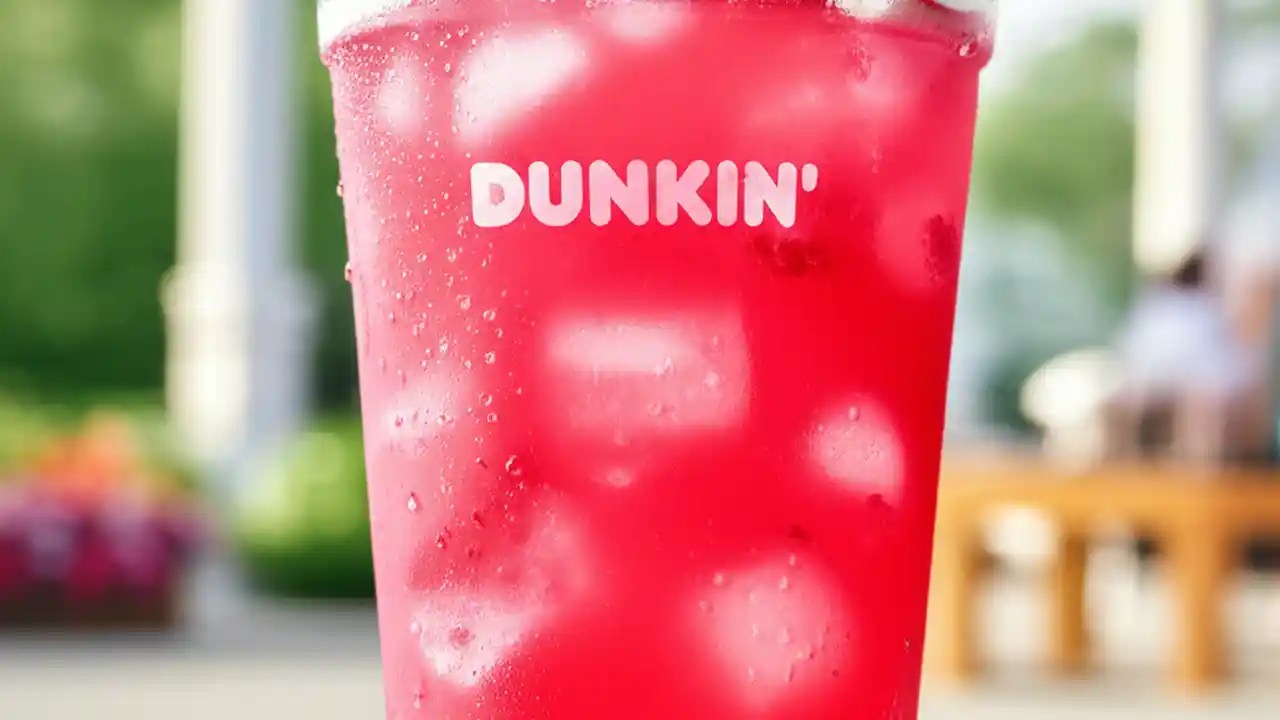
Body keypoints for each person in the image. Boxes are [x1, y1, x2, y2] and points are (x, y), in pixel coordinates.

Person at [1110, 251, 1262, 463]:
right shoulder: (1187, 308)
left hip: (1177, 386)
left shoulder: (1168, 307)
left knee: (1200, 407)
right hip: (1164, 384)